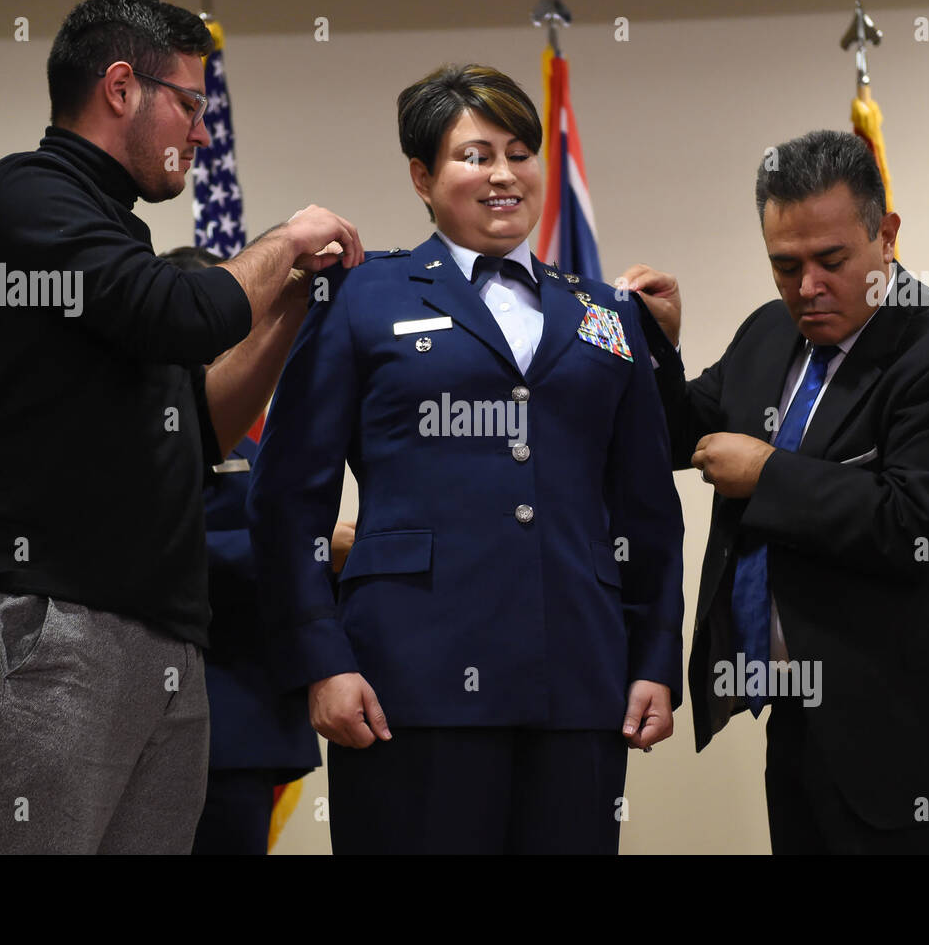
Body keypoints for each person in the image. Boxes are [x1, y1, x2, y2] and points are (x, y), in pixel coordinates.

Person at [0, 0, 361, 854]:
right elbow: (181, 312)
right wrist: (288, 237)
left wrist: (293, 302)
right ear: (122, 88)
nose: (202, 133)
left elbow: (198, 431)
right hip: (53, 621)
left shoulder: (116, 241)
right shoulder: (23, 196)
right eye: (192, 105)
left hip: (165, 638)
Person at [247, 63, 684, 855]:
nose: (504, 174)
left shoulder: (606, 314)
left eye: (521, 152)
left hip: (579, 682)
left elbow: (647, 506)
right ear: (422, 175)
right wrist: (321, 660)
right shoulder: (357, 298)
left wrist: (655, 656)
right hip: (407, 683)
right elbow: (288, 500)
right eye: (475, 155)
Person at [626, 129, 929, 853]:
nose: (807, 288)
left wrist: (769, 475)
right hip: (802, 715)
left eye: (831, 261)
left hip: (921, 730)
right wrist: (661, 345)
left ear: (886, 235)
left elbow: (914, 526)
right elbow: (675, 438)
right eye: (784, 266)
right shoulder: (769, 331)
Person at [159, 245, 347, 855]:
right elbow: (160, 552)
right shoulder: (159, 423)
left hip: (256, 715)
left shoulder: (264, 421)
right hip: (189, 713)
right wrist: (313, 550)